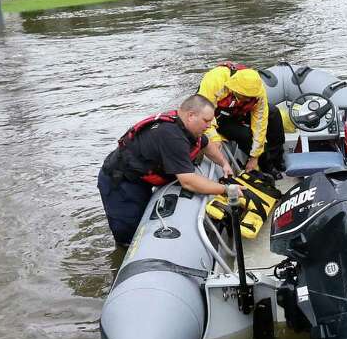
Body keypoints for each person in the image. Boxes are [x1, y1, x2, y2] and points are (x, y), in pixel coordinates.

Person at [98, 94, 237, 248]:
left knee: (142, 216)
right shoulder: (172, 136)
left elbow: (206, 144)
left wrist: (224, 163)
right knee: (129, 236)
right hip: (121, 181)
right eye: (206, 121)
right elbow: (188, 182)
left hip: (142, 176)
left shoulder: (185, 128)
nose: (209, 126)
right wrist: (226, 190)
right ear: (191, 116)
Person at [197, 62, 285, 175]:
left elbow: (260, 124)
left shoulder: (257, 90)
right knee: (245, 135)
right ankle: (266, 166)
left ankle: (277, 158)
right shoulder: (215, 80)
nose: (247, 100)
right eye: (243, 96)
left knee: (274, 113)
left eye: (250, 98)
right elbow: (204, 113)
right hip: (218, 115)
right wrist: (214, 137)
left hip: (238, 112)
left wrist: (255, 156)